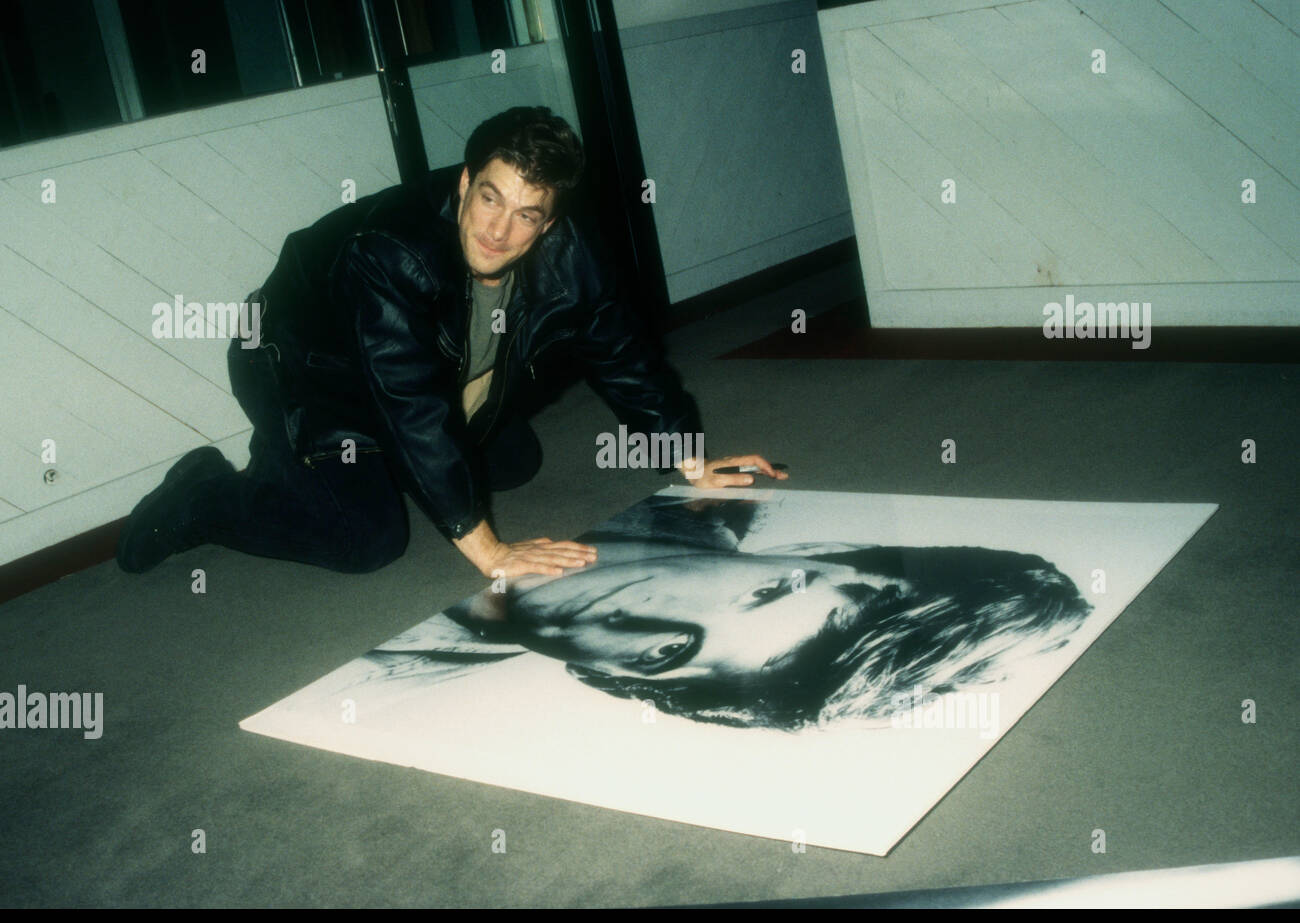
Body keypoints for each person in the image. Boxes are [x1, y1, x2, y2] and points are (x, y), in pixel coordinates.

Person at [116, 107, 786, 579]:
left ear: (550, 225)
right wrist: (492, 553)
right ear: (464, 183)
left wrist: (690, 461)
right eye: (490, 198)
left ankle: (358, 471)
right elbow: (409, 401)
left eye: (527, 215)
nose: (498, 231)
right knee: (368, 537)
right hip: (302, 366)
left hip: (405, 374)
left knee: (514, 458)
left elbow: (626, 357)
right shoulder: (391, 254)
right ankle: (201, 496)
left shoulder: (575, 257)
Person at [356, 496, 1094, 731]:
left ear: (620, 681)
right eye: (767, 595)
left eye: (666, 656)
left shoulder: (391, 678)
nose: (632, 616)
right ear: (822, 549)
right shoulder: (714, 498)